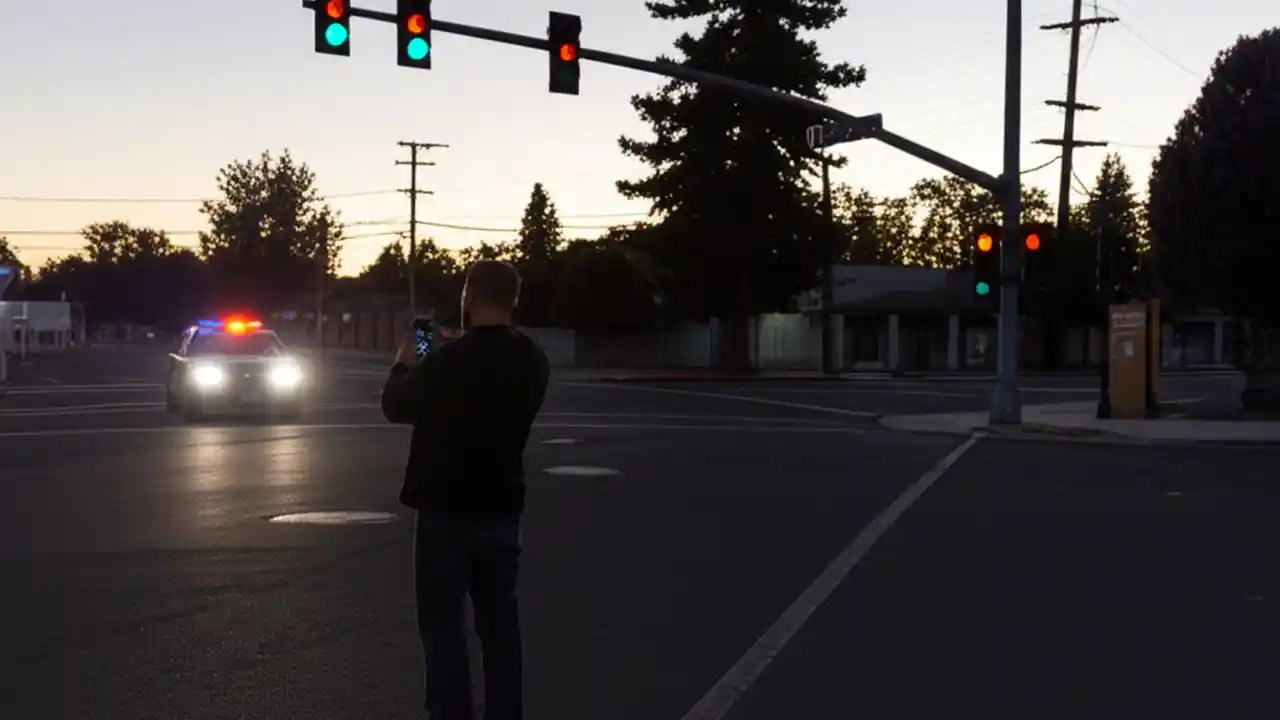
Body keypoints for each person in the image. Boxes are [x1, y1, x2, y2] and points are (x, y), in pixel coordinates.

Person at [381, 260, 550, 720]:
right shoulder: (533, 360)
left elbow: (397, 404)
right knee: (499, 628)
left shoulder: (449, 362)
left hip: (445, 512)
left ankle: (451, 712)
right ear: (513, 300)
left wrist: (404, 363)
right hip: (501, 508)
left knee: (443, 628)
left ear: (469, 298)